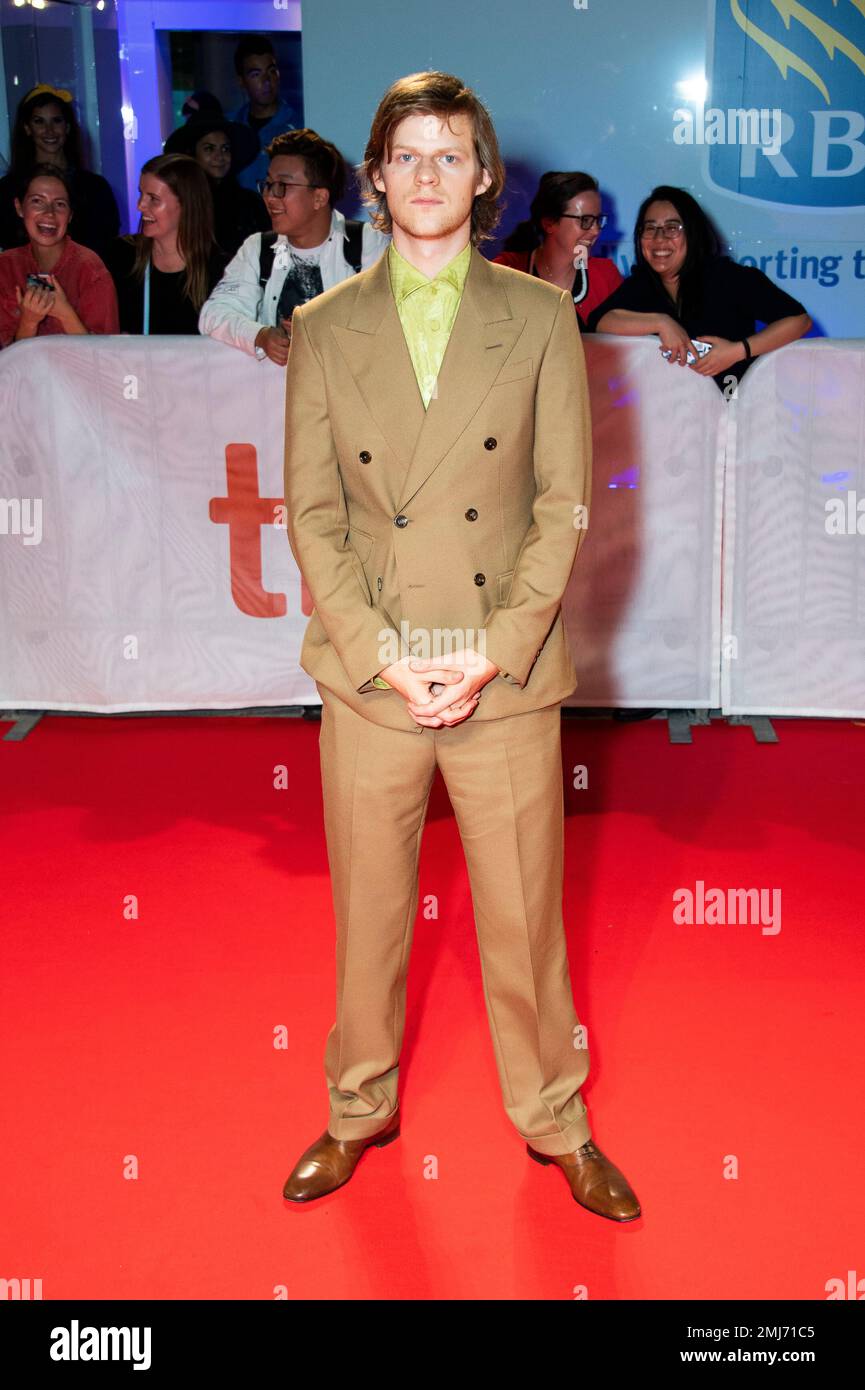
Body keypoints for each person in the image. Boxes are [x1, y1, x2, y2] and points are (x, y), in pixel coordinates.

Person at [280, 70, 641, 1222]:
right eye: (406, 155)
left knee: (526, 919)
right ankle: (356, 1106)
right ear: (373, 179)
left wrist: (490, 647)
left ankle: (555, 1117)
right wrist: (384, 652)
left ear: (484, 176)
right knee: (370, 912)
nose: (427, 174)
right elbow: (313, 515)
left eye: (451, 154)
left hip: (503, 668)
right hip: (373, 669)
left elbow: (562, 503)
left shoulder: (538, 316)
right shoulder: (322, 329)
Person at [588, 184, 812, 391]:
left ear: (693, 232)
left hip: (733, 414)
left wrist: (737, 351)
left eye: (672, 228)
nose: (659, 238)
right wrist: (661, 322)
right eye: (650, 228)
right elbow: (601, 322)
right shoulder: (641, 284)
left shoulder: (729, 278)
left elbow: (798, 320)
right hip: (669, 418)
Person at [199, 128, 389, 366]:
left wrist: (317, 328)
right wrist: (261, 336)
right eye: (268, 184)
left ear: (319, 198)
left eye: (282, 186)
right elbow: (213, 314)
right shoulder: (258, 248)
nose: (269, 197)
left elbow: (388, 322)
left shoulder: (367, 244)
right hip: (275, 397)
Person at [103, 154, 227, 335]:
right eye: (141, 194)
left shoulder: (221, 271)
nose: (140, 205)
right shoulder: (120, 256)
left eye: (153, 198)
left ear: (186, 205)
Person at [0, 164, 118, 347]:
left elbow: (106, 357)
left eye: (60, 204)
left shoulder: (90, 269)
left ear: (70, 215)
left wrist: (65, 314)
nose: (49, 213)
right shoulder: (5, 266)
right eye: (37, 201)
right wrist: (28, 323)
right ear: (19, 207)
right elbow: (5, 364)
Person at [0, 85, 120, 262]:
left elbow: (106, 244)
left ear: (68, 127)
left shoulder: (95, 187)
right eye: (39, 121)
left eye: (56, 120)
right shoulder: (8, 188)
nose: (49, 130)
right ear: (27, 128)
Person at [493, 170, 621, 328]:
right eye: (585, 220)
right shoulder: (508, 269)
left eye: (598, 220)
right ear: (549, 223)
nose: (596, 231)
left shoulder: (605, 275)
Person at [164, 113, 269, 261]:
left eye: (225, 149)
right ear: (192, 154)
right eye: (209, 149)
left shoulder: (250, 203)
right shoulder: (180, 202)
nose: (219, 156)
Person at [227, 36, 296, 194]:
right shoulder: (230, 127)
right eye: (256, 74)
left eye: (272, 71)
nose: (266, 81)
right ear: (241, 81)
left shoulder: (297, 126)